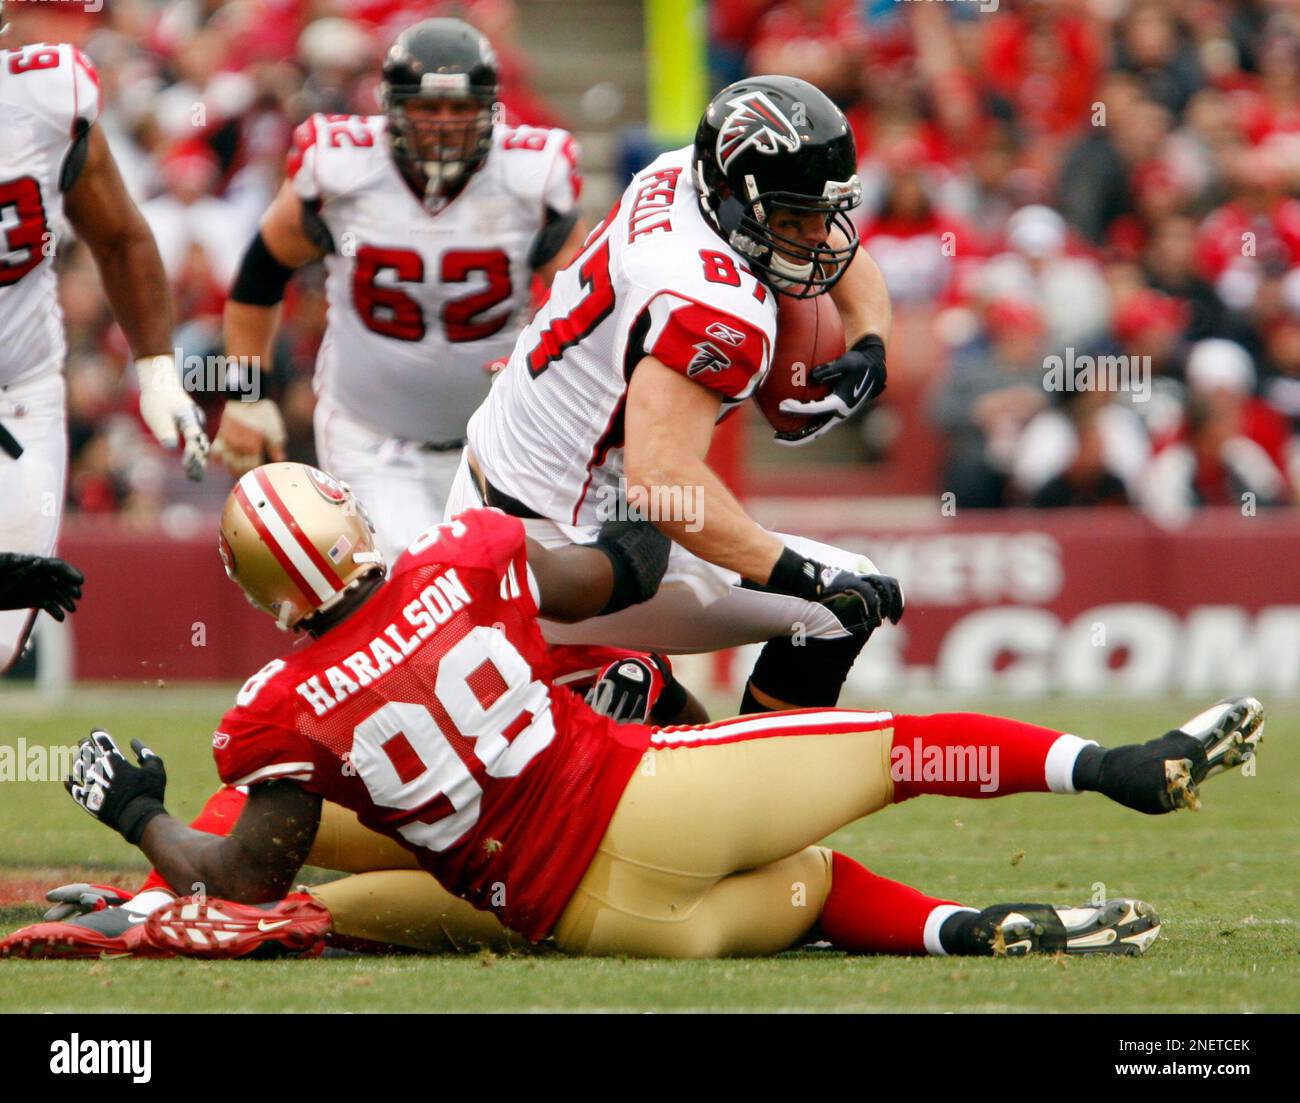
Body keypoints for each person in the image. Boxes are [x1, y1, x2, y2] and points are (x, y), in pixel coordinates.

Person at [31, 463, 1267, 960]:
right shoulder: (464, 556)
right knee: (890, 753)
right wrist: (641, 480)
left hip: (584, 924)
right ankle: (1120, 763)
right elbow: (619, 572)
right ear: (353, 525)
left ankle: (967, 928)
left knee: (310, 910)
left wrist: (137, 810)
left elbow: (240, 876)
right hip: (637, 800)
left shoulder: (273, 708)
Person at [454, 74, 900, 717]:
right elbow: (660, 483)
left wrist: (870, 340)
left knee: (675, 733)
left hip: (497, 488)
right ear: (739, 199)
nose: (816, 237)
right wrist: (804, 575)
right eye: (794, 218)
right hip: (560, 552)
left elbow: (827, 238)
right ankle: (760, 798)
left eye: (819, 213)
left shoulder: (681, 175)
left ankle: (645, 704)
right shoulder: (711, 303)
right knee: (841, 603)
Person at [211, 18, 587, 564]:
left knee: (507, 596)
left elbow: (581, 307)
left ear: (489, 111)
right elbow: (258, 277)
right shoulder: (341, 169)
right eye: (427, 108)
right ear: (390, 107)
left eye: (460, 109)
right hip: (370, 437)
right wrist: (245, 398)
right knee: (412, 582)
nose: (443, 124)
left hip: (496, 443)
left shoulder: (529, 178)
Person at [0, 5, 208, 671]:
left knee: (1, 637)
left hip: (21, 392)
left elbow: (120, 236)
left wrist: (157, 371)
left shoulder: (44, 99)